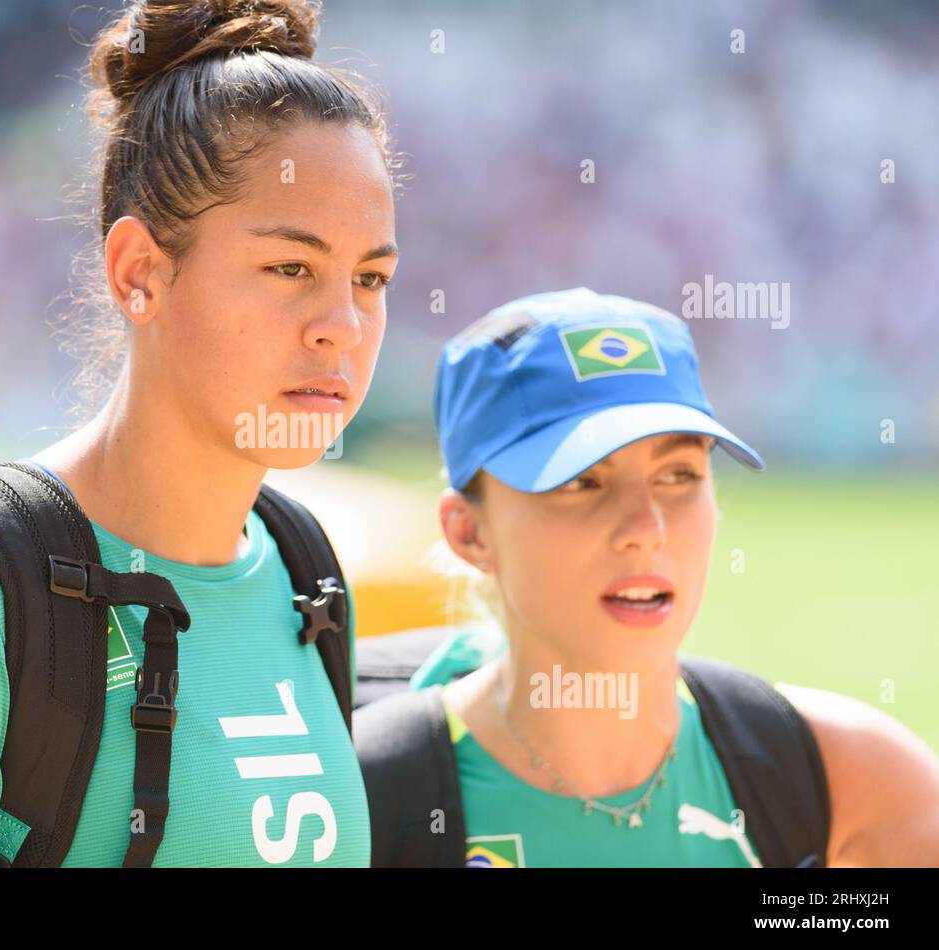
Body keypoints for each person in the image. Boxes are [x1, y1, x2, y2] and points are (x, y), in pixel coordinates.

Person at [0, 0, 401, 867]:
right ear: (139, 272)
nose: (342, 323)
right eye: (290, 267)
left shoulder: (302, 567)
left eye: (371, 277)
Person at [360, 287, 939, 867]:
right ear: (469, 533)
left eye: (679, 474)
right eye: (581, 481)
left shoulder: (855, 784)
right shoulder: (361, 802)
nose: (647, 526)